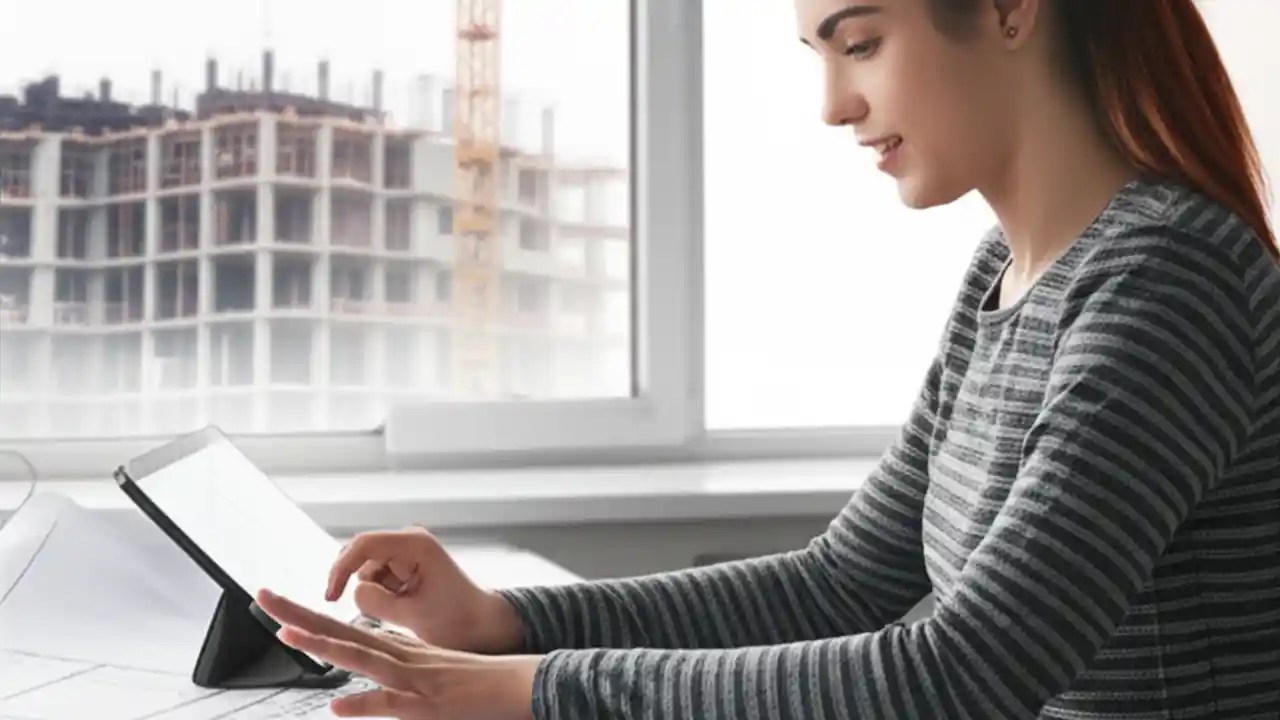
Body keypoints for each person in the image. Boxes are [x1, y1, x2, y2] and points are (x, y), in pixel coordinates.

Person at [257, 0, 1280, 717]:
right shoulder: (1005, 277)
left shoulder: (1163, 282)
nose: (833, 104)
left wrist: (532, 692)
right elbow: (842, 583)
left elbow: (957, 677)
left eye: (862, 44)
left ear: (1012, 9)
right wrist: (503, 624)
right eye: (818, 56)